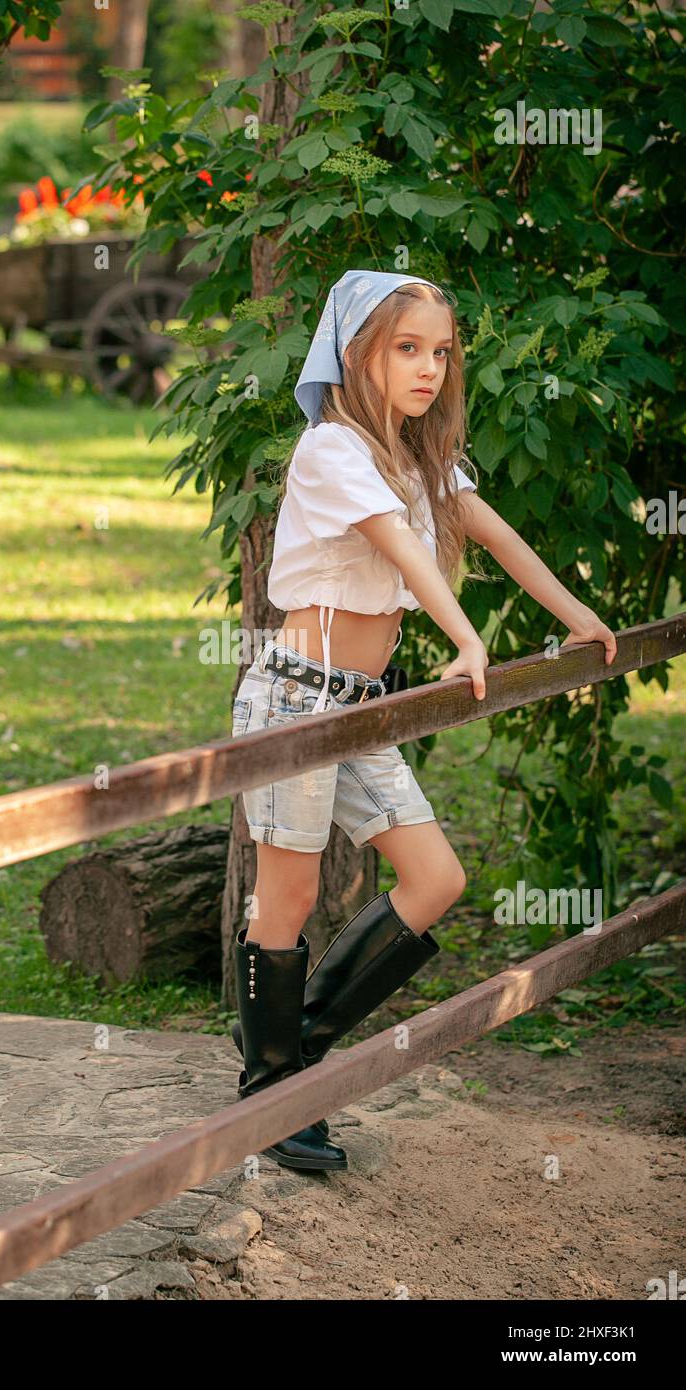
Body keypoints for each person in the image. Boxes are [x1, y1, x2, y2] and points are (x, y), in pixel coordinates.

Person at [230, 269, 618, 1173]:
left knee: (435, 878)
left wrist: (578, 617)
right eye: (407, 349)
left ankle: (293, 1065)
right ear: (356, 352)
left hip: (362, 711)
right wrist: (468, 637)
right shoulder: (332, 450)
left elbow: (495, 534)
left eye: (441, 351)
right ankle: (271, 1094)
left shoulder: (417, 460)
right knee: (284, 903)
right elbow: (403, 549)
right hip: (296, 700)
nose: (429, 368)